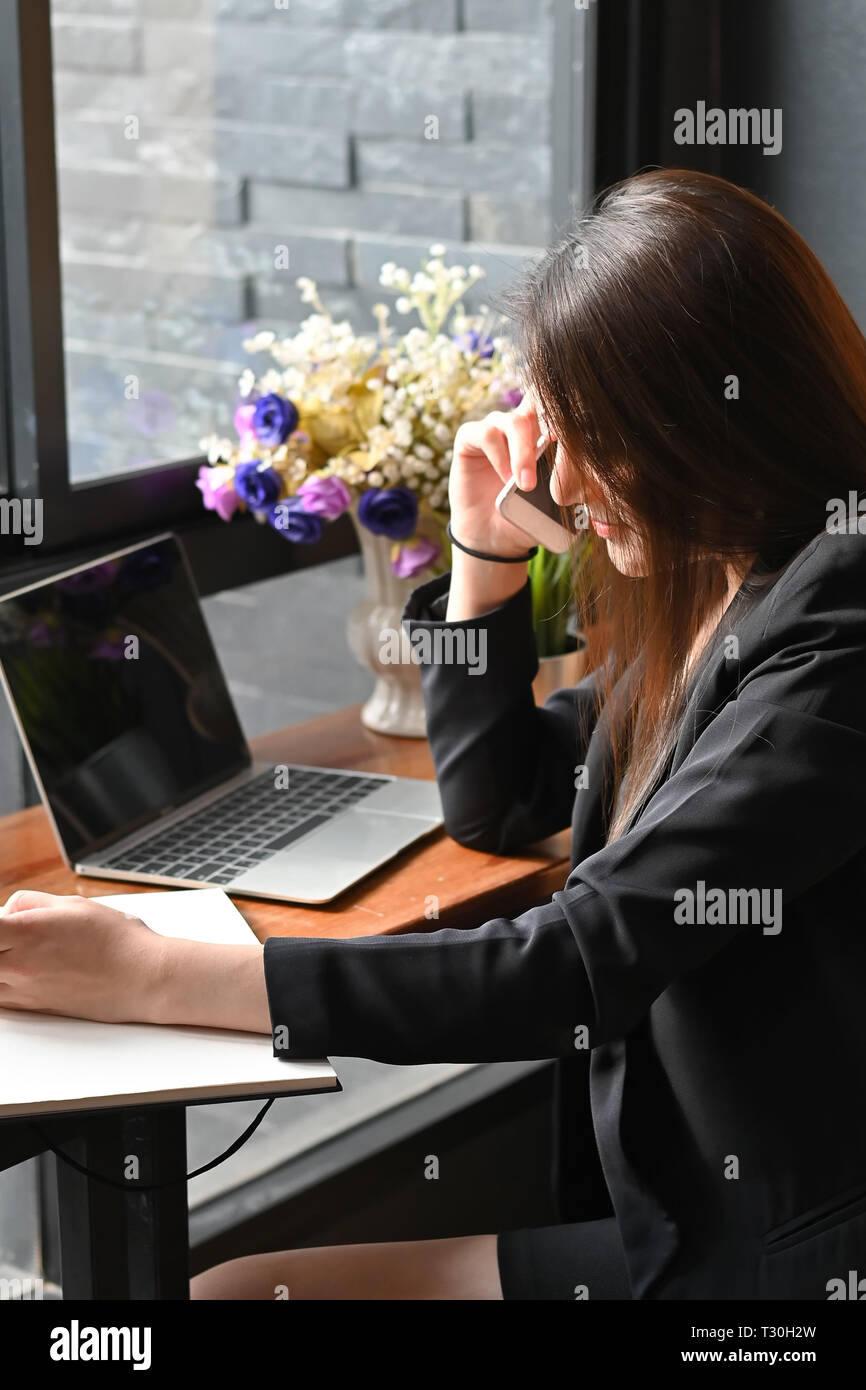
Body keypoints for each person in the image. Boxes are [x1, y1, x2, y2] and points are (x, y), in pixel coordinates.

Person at [4, 169, 866, 1300]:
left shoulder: (832, 646)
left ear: (703, 421)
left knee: (225, 1297)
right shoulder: (729, 584)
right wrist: (481, 558)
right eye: (548, 433)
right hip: (691, 1221)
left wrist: (158, 973)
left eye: (587, 438)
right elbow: (504, 800)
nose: (555, 480)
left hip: (771, 1268)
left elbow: (572, 964)